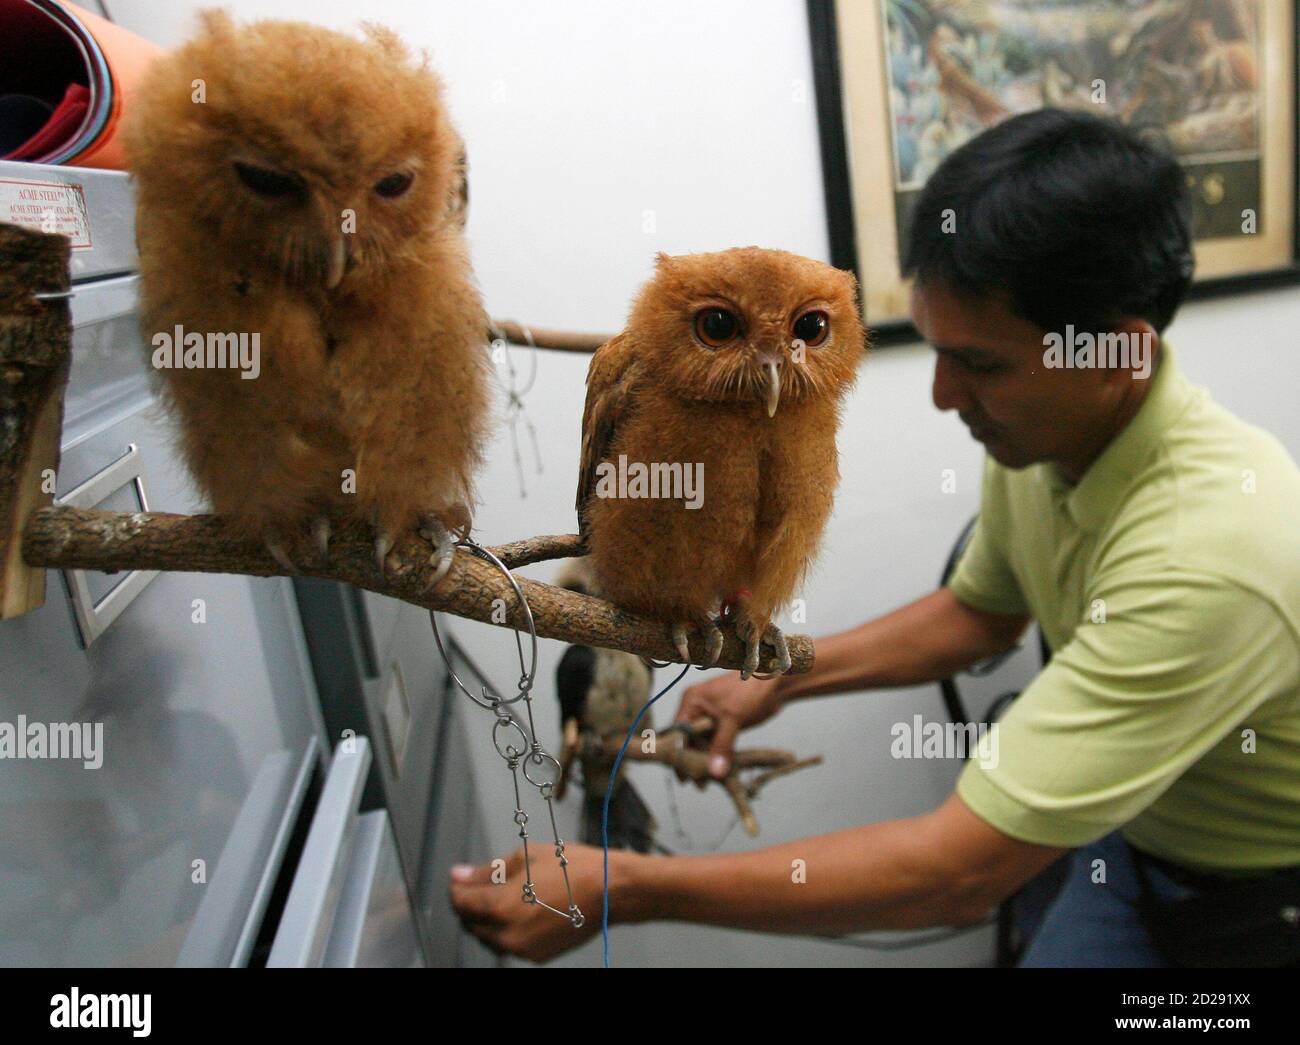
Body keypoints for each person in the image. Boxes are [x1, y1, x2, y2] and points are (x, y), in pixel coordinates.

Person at [449, 108, 1300, 966]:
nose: (940, 395)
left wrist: (623, 886)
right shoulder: (1048, 437)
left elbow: (955, 875)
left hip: (1249, 901)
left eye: (982, 364)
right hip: (1124, 837)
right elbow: (981, 613)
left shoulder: (1214, 562)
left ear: (1116, 356)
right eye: (936, 348)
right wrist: (780, 684)